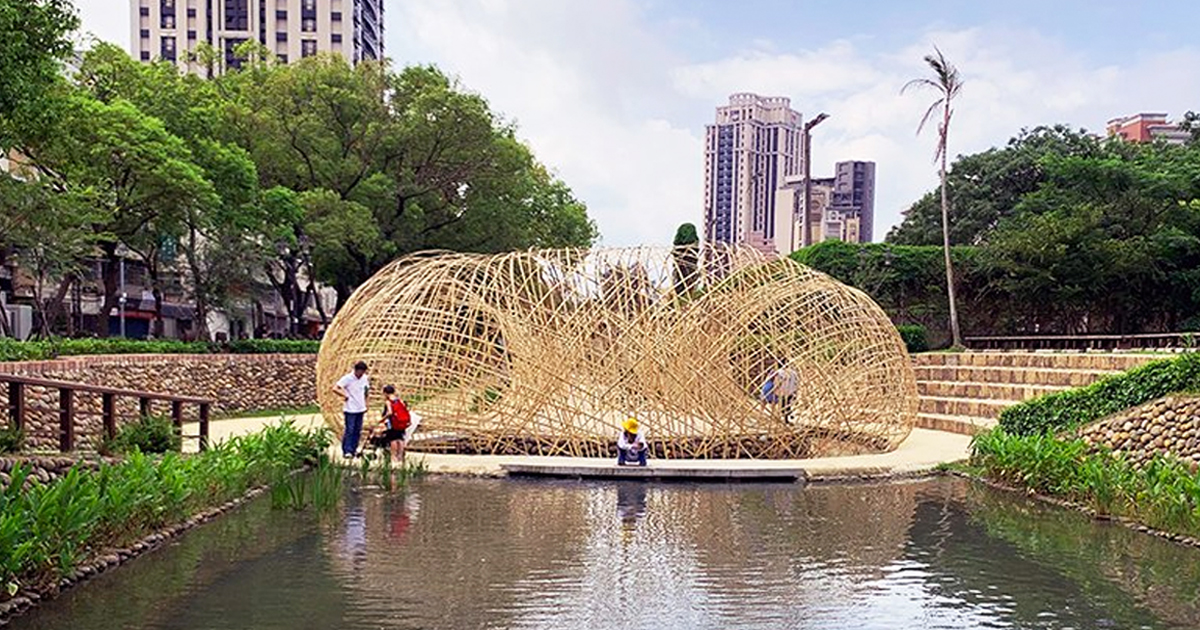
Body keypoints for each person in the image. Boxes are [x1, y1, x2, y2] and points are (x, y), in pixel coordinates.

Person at [333, 360, 370, 458]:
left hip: (360, 408)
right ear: (356, 370)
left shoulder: (365, 378)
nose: (361, 374)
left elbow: (366, 390)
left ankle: (354, 449)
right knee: (350, 430)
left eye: (363, 372)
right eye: (360, 372)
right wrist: (345, 395)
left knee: (357, 430)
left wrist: (366, 403)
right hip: (350, 409)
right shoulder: (348, 378)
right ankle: (347, 450)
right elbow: (335, 388)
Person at [369, 384, 412, 464]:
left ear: (385, 393)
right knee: (400, 438)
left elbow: (390, 412)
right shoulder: (399, 400)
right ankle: (400, 457)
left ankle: (394, 457)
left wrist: (382, 419)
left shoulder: (389, 402)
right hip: (402, 422)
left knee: (393, 439)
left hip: (394, 423)